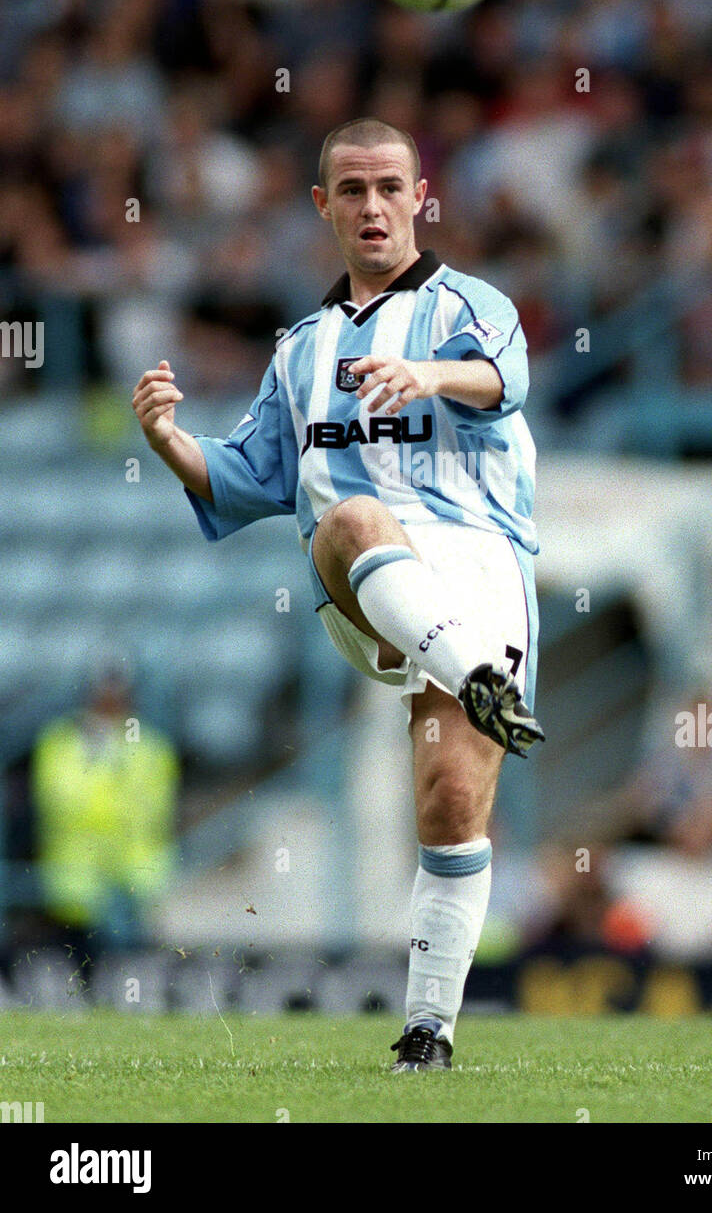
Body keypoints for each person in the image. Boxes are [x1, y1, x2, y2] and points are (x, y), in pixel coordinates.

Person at [132, 117, 543, 1072]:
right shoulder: (299, 351)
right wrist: (167, 444)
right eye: (351, 190)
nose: (372, 206)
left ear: (420, 198)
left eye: (389, 187)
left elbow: (502, 379)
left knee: (449, 799)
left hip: (478, 568)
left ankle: (426, 1033)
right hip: (367, 578)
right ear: (323, 206)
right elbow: (240, 479)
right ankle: (476, 675)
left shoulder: (470, 306)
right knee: (346, 519)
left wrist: (423, 373)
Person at [31, 664, 179, 962]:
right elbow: (57, 801)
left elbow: (153, 807)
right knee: (81, 960)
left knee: (129, 958)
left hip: (135, 875)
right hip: (77, 877)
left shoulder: (151, 746)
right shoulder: (59, 742)